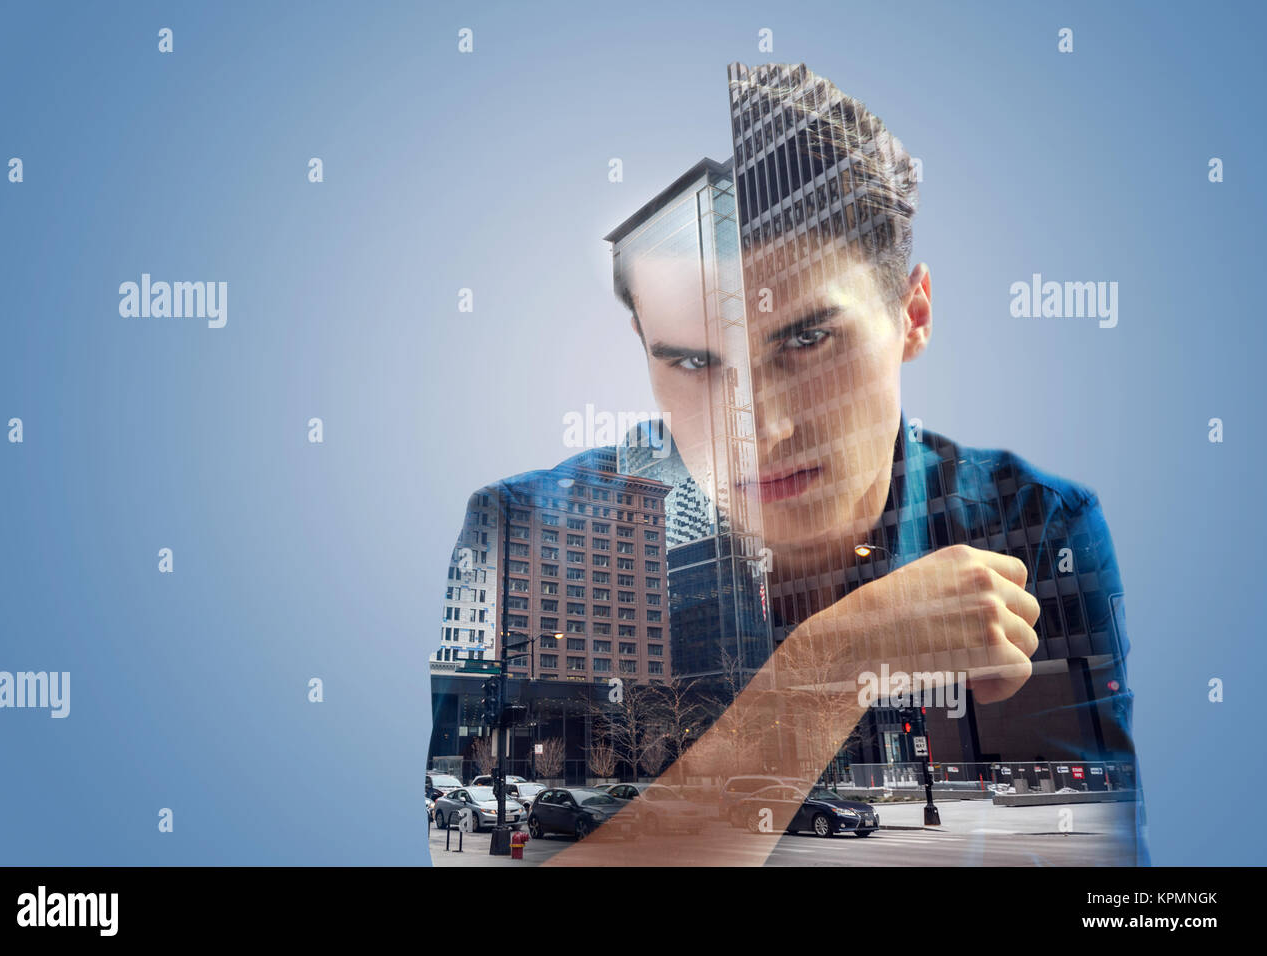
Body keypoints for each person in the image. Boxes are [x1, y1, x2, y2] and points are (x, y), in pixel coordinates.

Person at [428, 63, 1144, 866]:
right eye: (696, 365)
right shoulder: (523, 530)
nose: (759, 430)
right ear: (644, 351)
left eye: (807, 341)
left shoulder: (1040, 526)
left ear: (913, 314)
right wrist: (831, 663)